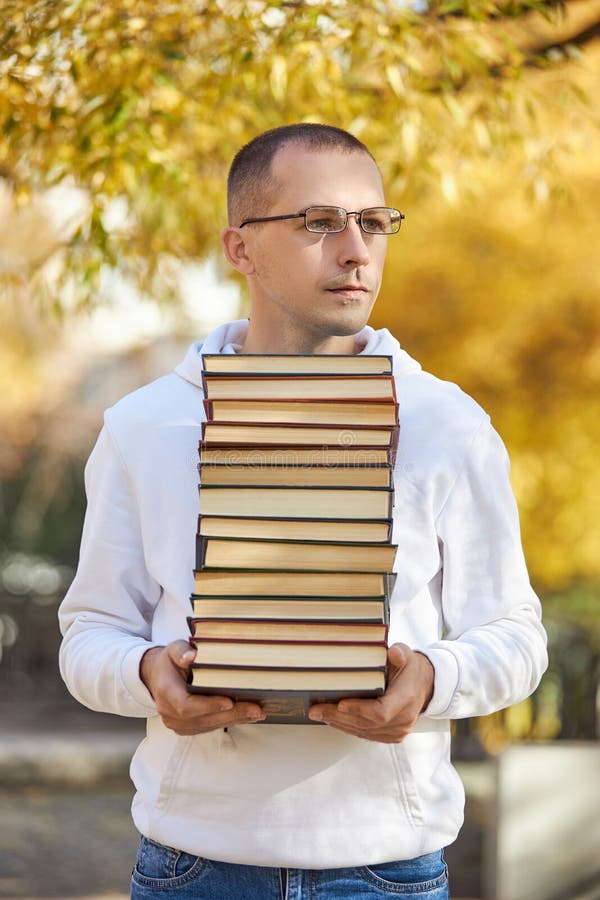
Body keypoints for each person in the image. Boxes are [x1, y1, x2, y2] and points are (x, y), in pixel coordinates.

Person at [59, 123, 548, 899]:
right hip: (192, 869)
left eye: (375, 222)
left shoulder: (448, 424)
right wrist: (149, 674)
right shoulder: (143, 427)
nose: (357, 250)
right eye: (320, 222)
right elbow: (89, 635)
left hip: (388, 873)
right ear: (240, 247)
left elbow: (517, 636)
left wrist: (430, 678)